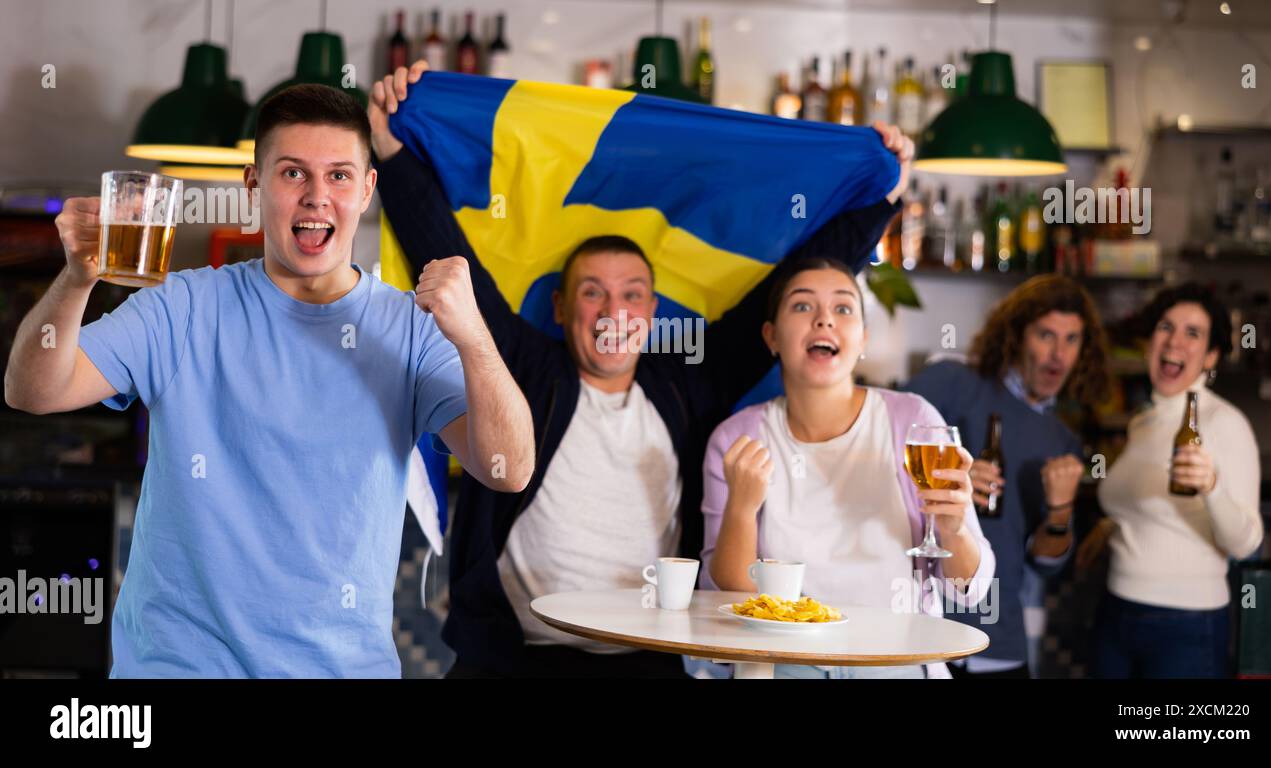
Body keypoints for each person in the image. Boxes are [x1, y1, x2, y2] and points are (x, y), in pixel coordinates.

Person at [369, 62, 913, 677]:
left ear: (653, 311)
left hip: (645, 662)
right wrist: (389, 149)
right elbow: (452, 258)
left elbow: (791, 286)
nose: (613, 312)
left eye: (631, 295)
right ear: (561, 308)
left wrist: (884, 196)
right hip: (516, 661)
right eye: (593, 294)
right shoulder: (524, 367)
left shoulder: (688, 379)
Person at [2, 84, 534, 677]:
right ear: (254, 186)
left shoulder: (410, 329)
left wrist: (475, 338)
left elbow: (508, 469)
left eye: (337, 176)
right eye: (292, 174)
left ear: (365, 190)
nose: (316, 197)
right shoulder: (183, 307)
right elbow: (33, 390)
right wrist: (77, 280)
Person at [701, 258, 994, 679]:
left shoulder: (913, 422)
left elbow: (971, 592)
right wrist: (741, 511)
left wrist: (953, 528)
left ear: (862, 339)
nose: (824, 320)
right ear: (771, 337)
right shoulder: (736, 439)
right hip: (786, 666)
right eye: (802, 307)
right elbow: (721, 599)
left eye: (843, 309)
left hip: (898, 663)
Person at [903, 275, 1111, 678]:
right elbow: (875, 443)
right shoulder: (952, 382)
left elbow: (1046, 563)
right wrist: (948, 477)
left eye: (1072, 340)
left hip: (999, 641)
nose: (1058, 354)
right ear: (1015, 337)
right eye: (1046, 335)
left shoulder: (1063, 441)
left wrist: (1060, 512)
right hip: (917, 630)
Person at [1079, 282, 1262, 679]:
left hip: (1186, 626)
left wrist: (1211, 488)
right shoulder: (1143, 422)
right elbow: (1152, 507)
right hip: (1116, 611)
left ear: (1211, 356)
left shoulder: (1224, 423)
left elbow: (1246, 543)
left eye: (1192, 333)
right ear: (1150, 341)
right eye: (1166, 327)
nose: (1174, 341)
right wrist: (1113, 525)